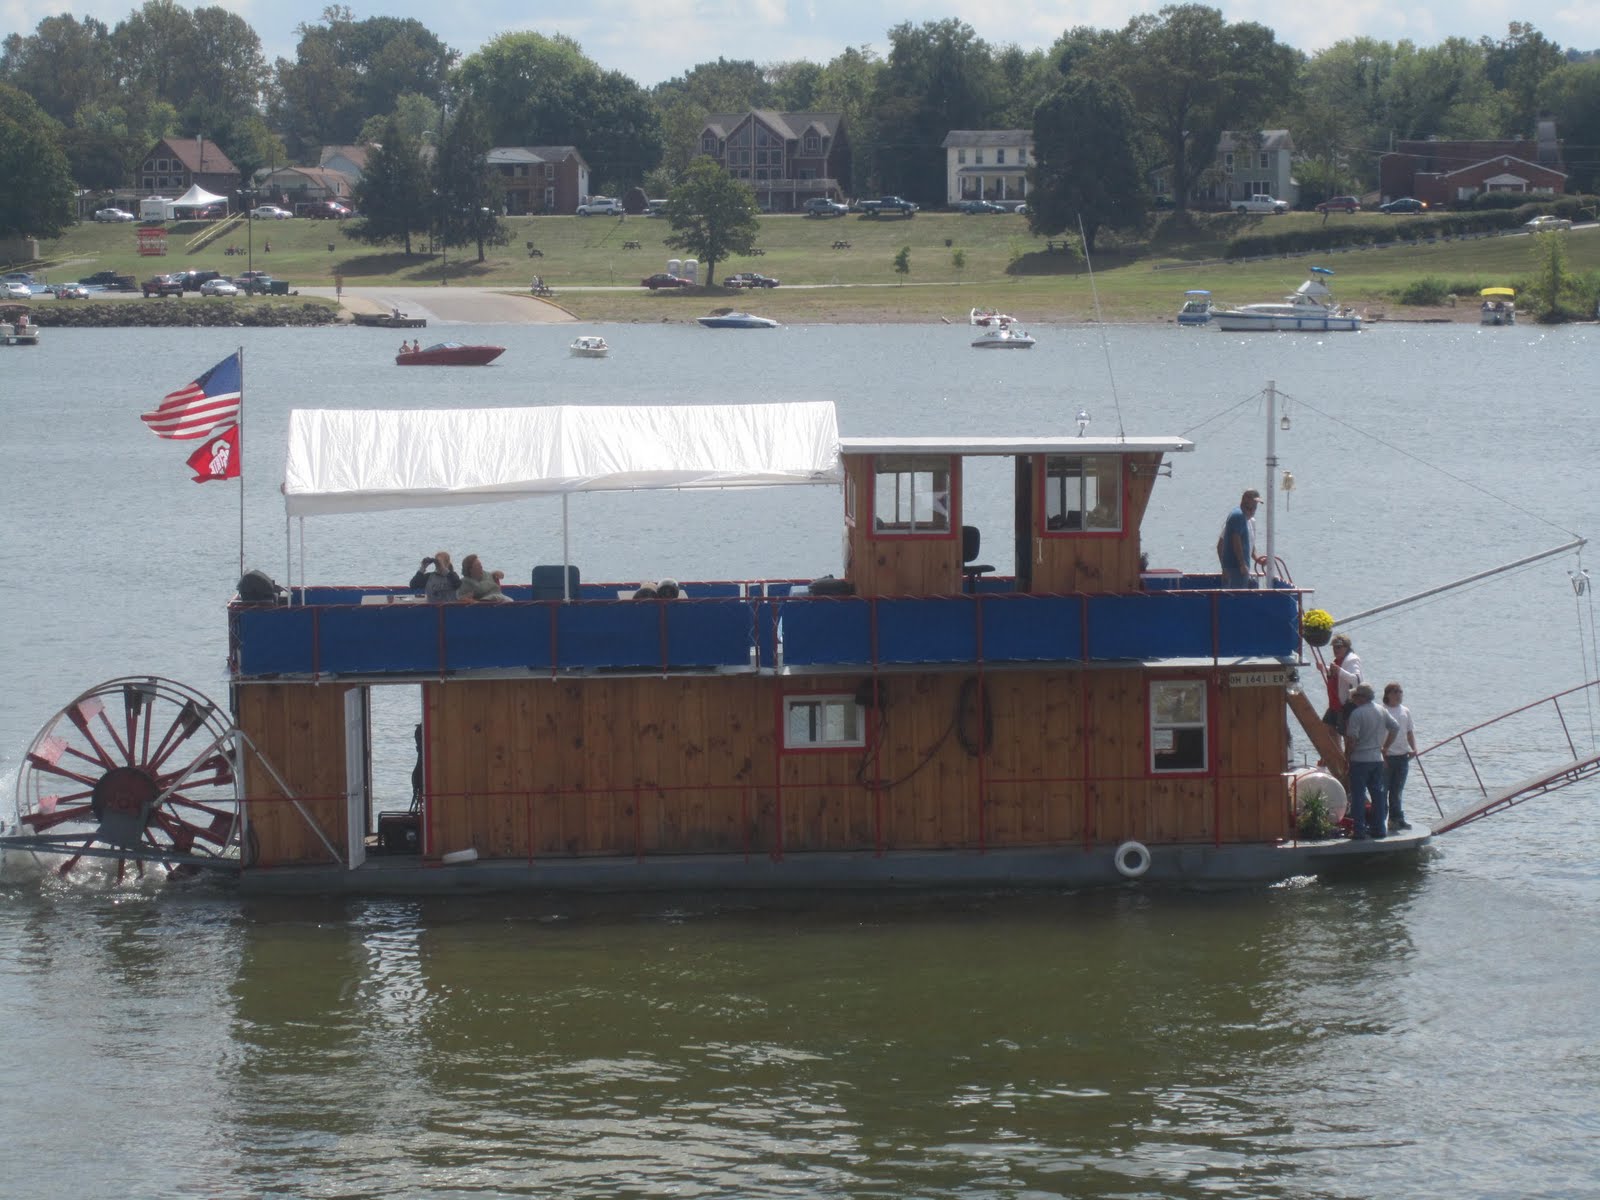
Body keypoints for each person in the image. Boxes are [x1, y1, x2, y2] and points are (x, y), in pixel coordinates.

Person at [1343, 682, 1399, 839]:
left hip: (1360, 759)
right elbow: (1395, 727)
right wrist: (1385, 747)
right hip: (1377, 758)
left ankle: (1359, 830)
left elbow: (1351, 740)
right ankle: (1379, 828)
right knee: (1378, 795)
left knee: (1358, 795)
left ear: (1361, 697)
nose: (1353, 698)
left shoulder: (1357, 714)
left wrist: (1347, 758)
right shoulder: (1381, 710)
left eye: (1355, 696)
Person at [1382, 682, 1418, 831]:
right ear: (1388, 694)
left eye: (1400, 692)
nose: (1398, 694)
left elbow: (1409, 732)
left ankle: (1396, 819)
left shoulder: (1405, 711)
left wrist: (1414, 748)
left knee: (1397, 791)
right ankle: (1379, 819)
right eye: (1395, 692)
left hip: (1402, 756)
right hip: (1386, 757)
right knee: (1383, 790)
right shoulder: (1382, 711)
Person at [1216, 489, 1263, 588]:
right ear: (1245, 501)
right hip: (1235, 569)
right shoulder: (1238, 516)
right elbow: (1231, 541)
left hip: (1242, 570)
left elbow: (1250, 544)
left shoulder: (1251, 521)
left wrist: (1258, 559)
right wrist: (1239, 565)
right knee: (1235, 598)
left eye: (1255, 506)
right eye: (1252, 505)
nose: (1254, 508)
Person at [1325, 634, 1363, 732]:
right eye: (1334, 647)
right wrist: (1324, 668)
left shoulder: (1352, 660)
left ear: (1346, 647)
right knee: (1329, 730)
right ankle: (1335, 748)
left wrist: (1339, 670)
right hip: (1334, 703)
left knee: (1347, 736)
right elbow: (1337, 673)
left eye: (1338, 647)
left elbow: (1356, 680)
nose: (1335, 650)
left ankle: (1342, 747)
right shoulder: (1338, 660)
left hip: (1346, 705)